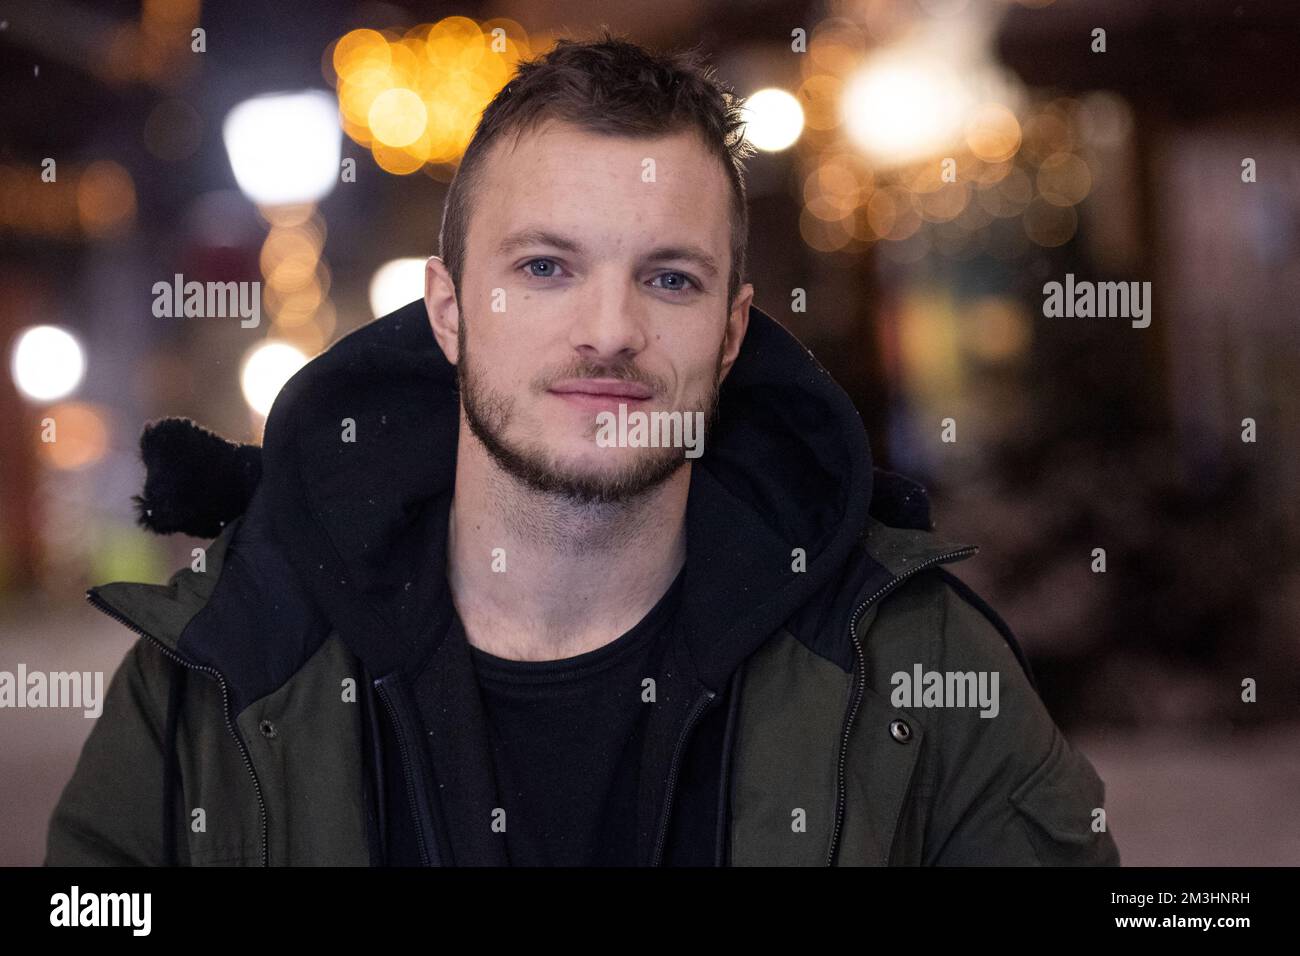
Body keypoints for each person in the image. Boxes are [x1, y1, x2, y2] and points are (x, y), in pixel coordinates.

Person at [46, 31, 1120, 866]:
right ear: (450, 311)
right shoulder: (221, 669)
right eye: (548, 267)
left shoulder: (909, 661)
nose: (609, 329)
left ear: (733, 330)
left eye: (668, 277)